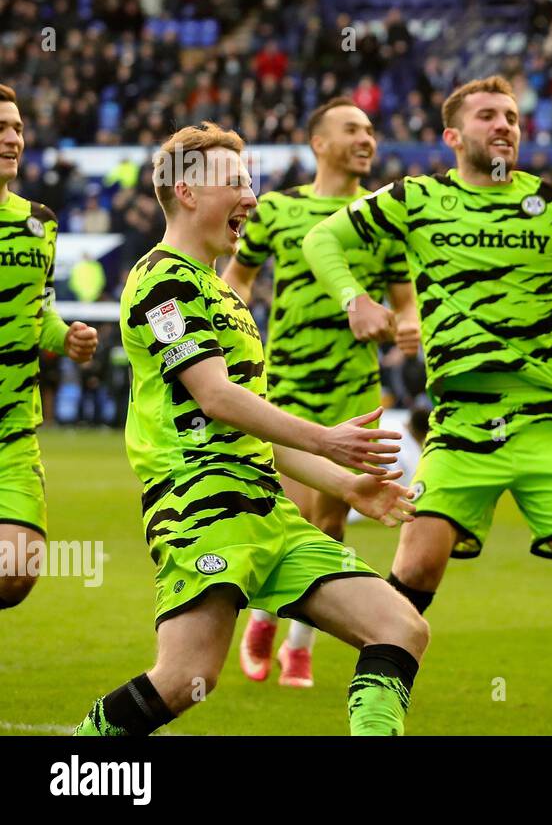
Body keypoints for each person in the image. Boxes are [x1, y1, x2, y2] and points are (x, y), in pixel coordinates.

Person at [304, 77, 552, 734]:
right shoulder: (419, 198)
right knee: (413, 570)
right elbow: (321, 241)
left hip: (547, 423)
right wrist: (354, 297)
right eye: (488, 116)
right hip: (462, 426)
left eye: (513, 118)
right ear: (452, 136)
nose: (504, 126)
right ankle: (374, 726)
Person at [74, 123, 428, 736]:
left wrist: (346, 486)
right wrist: (324, 439)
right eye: (236, 182)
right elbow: (214, 398)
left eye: (251, 181)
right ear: (187, 192)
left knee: (401, 628)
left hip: (266, 508)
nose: (251, 197)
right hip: (200, 502)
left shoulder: (227, 297)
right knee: (189, 678)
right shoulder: (162, 279)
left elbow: (253, 435)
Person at [222, 97, 415, 687]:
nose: (366, 138)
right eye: (352, 128)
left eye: (370, 130)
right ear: (319, 143)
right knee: (285, 512)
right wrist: (229, 333)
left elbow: (406, 301)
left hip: (354, 390)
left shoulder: (380, 217)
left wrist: (406, 325)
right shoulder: (276, 209)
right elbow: (240, 279)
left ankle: (297, 647)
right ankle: (262, 617)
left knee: (330, 519)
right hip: (284, 384)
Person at [0, 84, 98, 610]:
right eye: (1, 128)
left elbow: (39, 308)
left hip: (12, 429)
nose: (13, 138)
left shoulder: (40, 221)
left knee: (15, 571)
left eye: (17, 128)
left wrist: (68, 337)